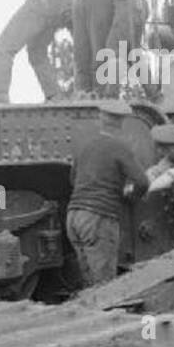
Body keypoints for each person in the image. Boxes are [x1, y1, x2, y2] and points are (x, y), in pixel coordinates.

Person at [66, 100, 148, 287]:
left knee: (89, 281)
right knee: (105, 284)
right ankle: (106, 315)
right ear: (121, 122)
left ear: (100, 119)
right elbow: (143, 181)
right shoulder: (119, 147)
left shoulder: (84, 146)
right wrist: (129, 196)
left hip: (74, 217)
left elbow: (73, 180)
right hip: (98, 218)